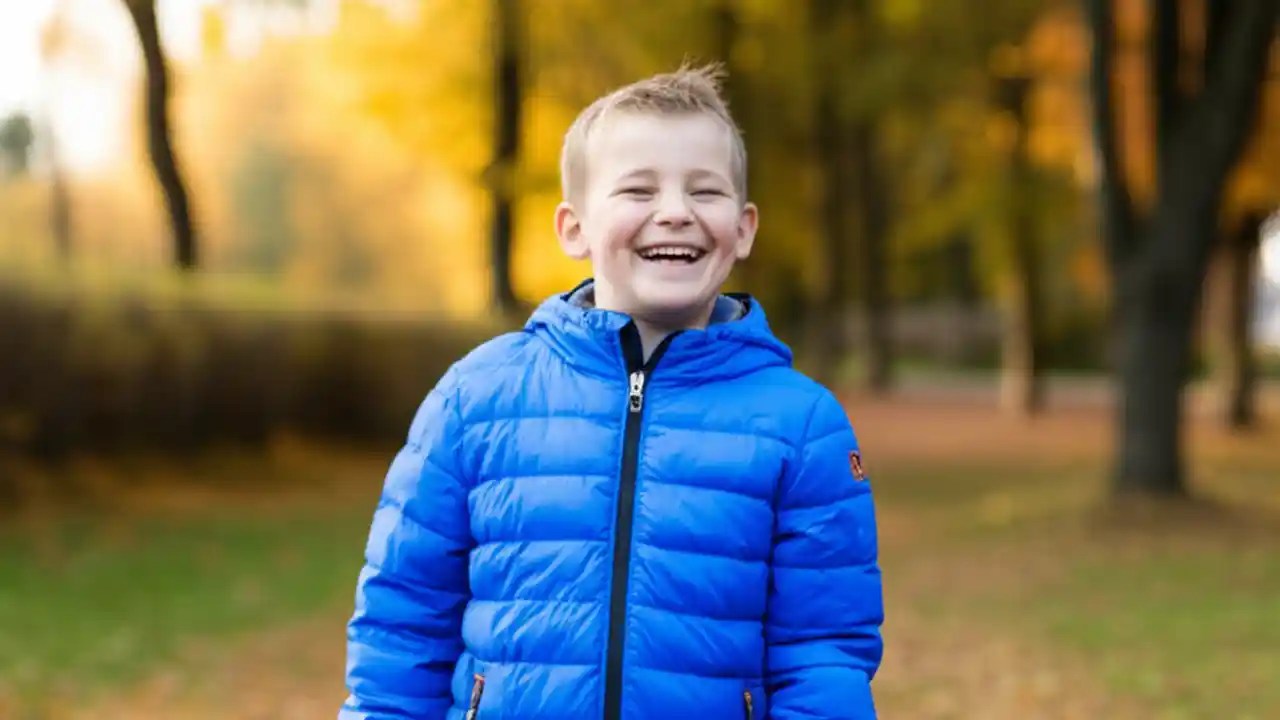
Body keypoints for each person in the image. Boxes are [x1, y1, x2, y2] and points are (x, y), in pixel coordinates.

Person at [340, 63, 884, 720]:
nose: (676, 213)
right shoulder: (475, 400)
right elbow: (403, 622)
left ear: (743, 228)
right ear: (574, 228)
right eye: (639, 190)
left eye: (704, 192)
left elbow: (822, 652)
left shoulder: (802, 426)